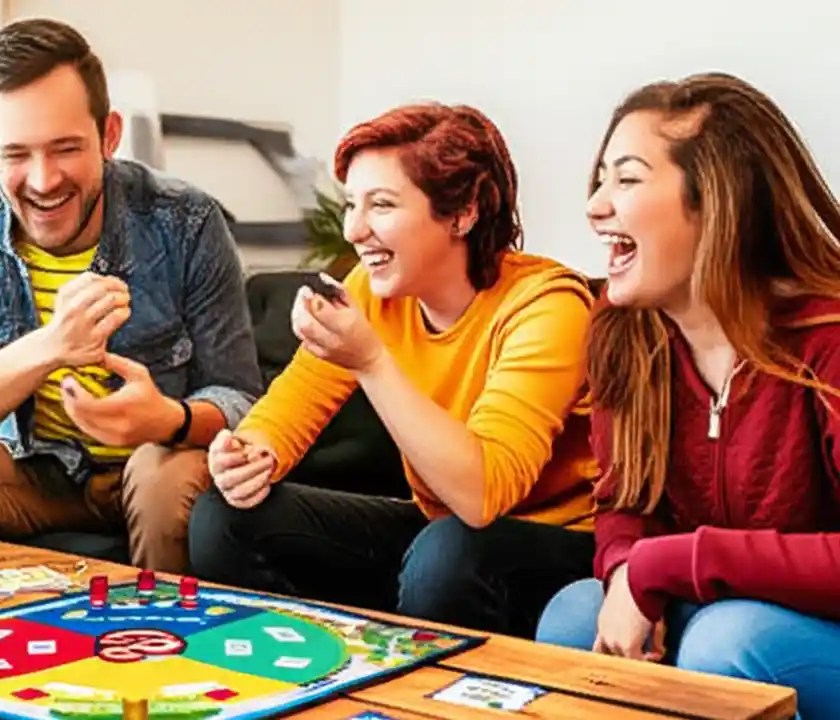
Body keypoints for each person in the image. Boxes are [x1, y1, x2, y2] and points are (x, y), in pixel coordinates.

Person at [188, 103, 600, 637]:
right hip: (440, 535)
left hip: (552, 546)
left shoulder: (548, 306)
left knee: (448, 551)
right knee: (224, 518)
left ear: (463, 212)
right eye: (351, 205)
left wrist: (373, 363)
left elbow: (483, 495)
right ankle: (315, 663)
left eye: (381, 205)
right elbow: (294, 404)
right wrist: (246, 454)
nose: (354, 230)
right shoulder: (374, 289)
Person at [0, 18, 260, 573]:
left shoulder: (186, 221)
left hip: (157, 465)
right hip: (34, 470)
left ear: (109, 135)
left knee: (161, 479)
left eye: (65, 148)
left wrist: (166, 420)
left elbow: (241, 401)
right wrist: (53, 345)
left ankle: (159, 627)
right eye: (16, 154)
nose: (43, 181)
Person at [534, 72, 840, 716]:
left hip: (802, 626)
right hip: (721, 607)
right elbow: (623, 502)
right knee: (574, 619)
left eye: (627, 179)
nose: (595, 205)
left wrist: (671, 563)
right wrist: (626, 567)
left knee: (726, 644)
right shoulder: (624, 334)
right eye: (600, 179)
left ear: (719, 204)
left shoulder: (828, 338)